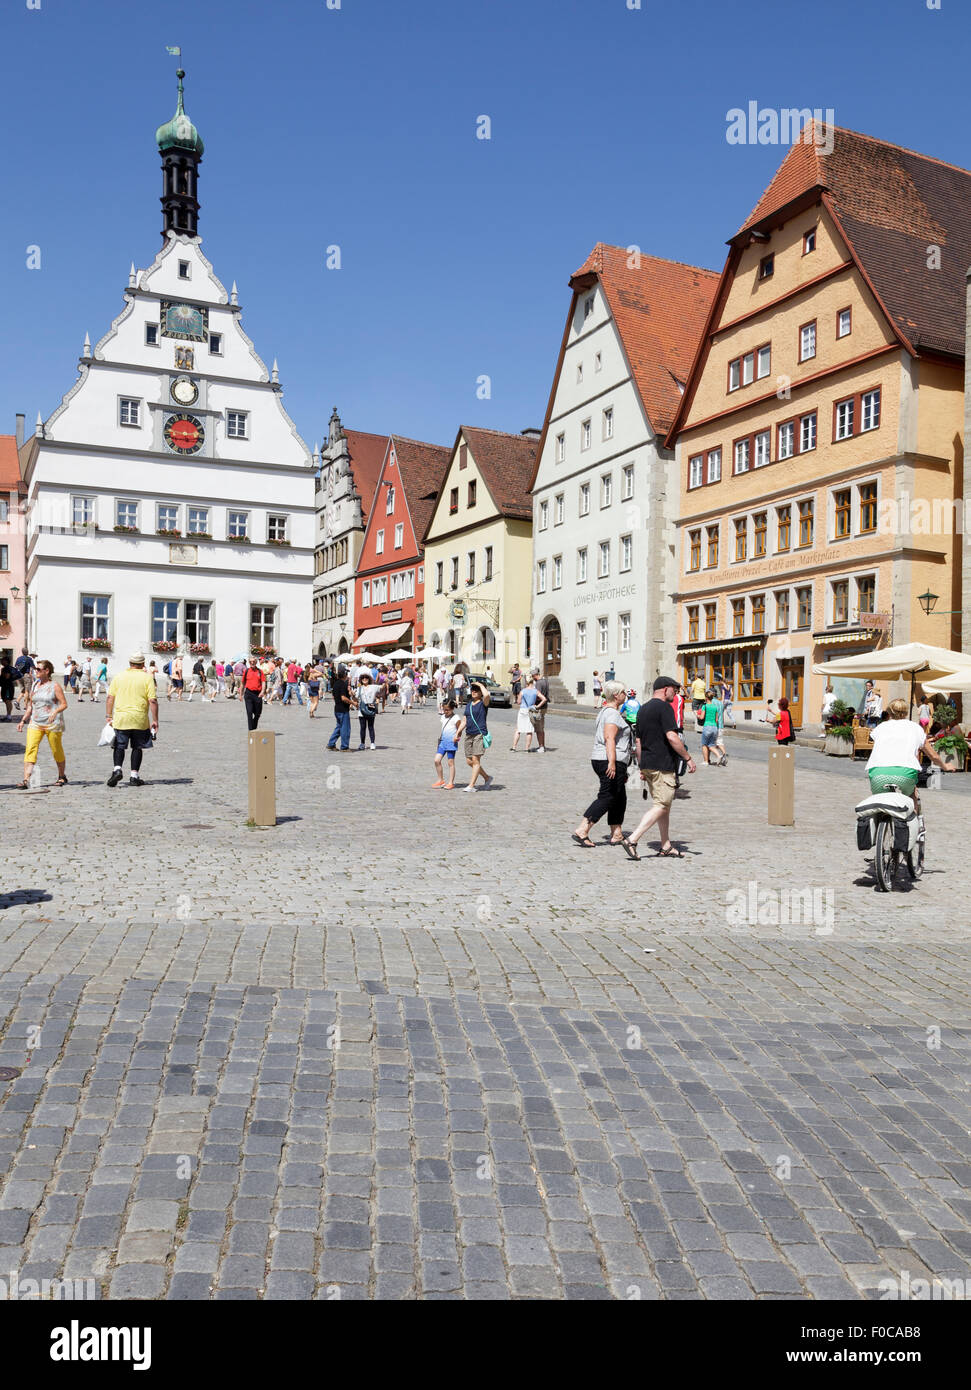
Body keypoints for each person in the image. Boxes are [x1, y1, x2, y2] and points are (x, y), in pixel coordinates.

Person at [621, 676, 697, 861]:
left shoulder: (643, 708)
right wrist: (687, 758)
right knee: (662, 805)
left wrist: (641, 765)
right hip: (662, 764)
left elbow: (638, 741)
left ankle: (666, 845)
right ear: (665, 689)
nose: (676, 693)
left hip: (648, 763)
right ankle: (632, 839)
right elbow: (671, 737)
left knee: (664, 806)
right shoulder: (664, 708)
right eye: (674, 689)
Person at [572, 681, 632, 848]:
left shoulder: (606, 712)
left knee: (619, 797)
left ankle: (616, 833)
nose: (625, 695)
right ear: (615, 695)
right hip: (609, 759)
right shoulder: (612, 714)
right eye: (623, 692)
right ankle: (583, 829)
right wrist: (612, 762)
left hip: (606, 758)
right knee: (608, 796)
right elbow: (609, 738)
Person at [867, 696, 952, 812]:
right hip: (905, 773)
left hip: (878, 773)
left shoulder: (880, 727)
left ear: (889, 712)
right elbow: (933, 756)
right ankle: (914, 826)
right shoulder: (915, 728)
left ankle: (876, 824)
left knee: (879, 801)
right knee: (912, 796)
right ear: (906, 712)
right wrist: (945, 766)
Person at [104, 650, 158, 788]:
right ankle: (134, 776)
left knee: (119, 746)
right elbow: (152, 700)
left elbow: (110, 697)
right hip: (139, 718)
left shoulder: (119, 676)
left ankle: (117, 769)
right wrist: (155, 720)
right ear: (142, 664)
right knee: (137, 747)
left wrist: (109, 715)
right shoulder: (147, 678)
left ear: (130, 663)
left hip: (121, 718)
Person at [16, 658, 69, 788]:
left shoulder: (54, 686)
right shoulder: (34, 684)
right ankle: (26, 780)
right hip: (35, 722)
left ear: (47, 671)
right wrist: (23, 720)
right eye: (35, 669)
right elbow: (30, 706)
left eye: (38, 669)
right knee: (30, 749)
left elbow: (64, 704)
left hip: (52, 723)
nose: (36, 671)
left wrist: (55, 711)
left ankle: (62, 776)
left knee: (56, 750)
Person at [463, 681, 493, 791]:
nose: (474, 691)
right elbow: (465, 719)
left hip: (479, 734)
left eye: (476, 690)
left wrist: (480, 685)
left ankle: (471, 786)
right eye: (472, 689)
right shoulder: (469, 704)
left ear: (481, 692)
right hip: (469, 734)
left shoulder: (483, 703)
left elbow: (487, 695)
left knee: (475, 760)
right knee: (469, 761)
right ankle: (487, 777)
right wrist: (458, 732)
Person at [431, 699, 465, 789]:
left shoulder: (456, 718)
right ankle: (440, 780)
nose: (445, 711)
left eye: (447, 710)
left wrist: (457, 737)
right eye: (444, 709)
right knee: (436, 760)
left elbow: (459, 730)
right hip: (443, 742)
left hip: (451, 743)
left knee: (450, 762)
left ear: (452, 709)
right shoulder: (443, 717)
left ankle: (450, 782)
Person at [511, 673, 547, 752]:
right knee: (529, 731)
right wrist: (537, 706)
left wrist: (520, 699)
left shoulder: (523, 691)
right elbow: (544, 699)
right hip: (531, 710)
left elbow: (519, 702)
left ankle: (514, 747)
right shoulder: (535, 691)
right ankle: (527, 749)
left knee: (518, 729)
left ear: (526, 682)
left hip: (523, 710)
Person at [327, 663, 352, 751]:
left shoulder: (336, 684)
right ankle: (344, 746)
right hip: (343, 709)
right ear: (345, 674)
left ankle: (331, 744)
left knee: (339, 727)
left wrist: (349, 692)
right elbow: (343, 698)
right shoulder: (343, 684)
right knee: (345, 728)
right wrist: (353, 703)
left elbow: (335, 696)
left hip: (337, 709)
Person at [700, 689, 727, 766]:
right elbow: (716, 719)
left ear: (706, 698)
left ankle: (706, 761)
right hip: (714, 727)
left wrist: (698, 715)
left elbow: (702, 717)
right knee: (711, 745)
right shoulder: (715, 707)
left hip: (707, 726)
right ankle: (720, 756)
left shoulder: (704, 706)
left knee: (704, 744)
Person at [353, 672, 379, 749]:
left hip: (371, 709)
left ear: (369, 679)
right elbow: (355, 698)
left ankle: (372, 743)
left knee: (371, 727)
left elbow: (381, 687)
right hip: (362, 710)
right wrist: (352, 694)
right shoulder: (359, 688)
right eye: (363, 678)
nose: (364, 679)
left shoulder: (373, 687)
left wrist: (386, 681)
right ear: (361, 680)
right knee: (362, 727)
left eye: (366, 678)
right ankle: (362, 743)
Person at [241, 657, 266, 730]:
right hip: (248, 693)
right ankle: (251, 730)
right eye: (251, 661)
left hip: (258, 694)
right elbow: (242, 683)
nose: (252, 663)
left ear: (256, 662)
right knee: (249, 712)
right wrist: (240, 694)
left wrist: (262, 691)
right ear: (249, 662)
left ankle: (254, 727)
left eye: (254, 661)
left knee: (258, 713)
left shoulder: (260, 671)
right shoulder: (246, 671)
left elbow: (263, 682)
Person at [531, 668, 550, 752]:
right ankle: (542, 745)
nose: (532, 678)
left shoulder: (538, 683)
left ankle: (541, 746)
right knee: (541, 727)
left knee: (539, 728)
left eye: (532, 676)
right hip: (545, 706)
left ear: (535, 675)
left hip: (540, 706)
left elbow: (538, 695)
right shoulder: (545, 681)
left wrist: (535, 704)